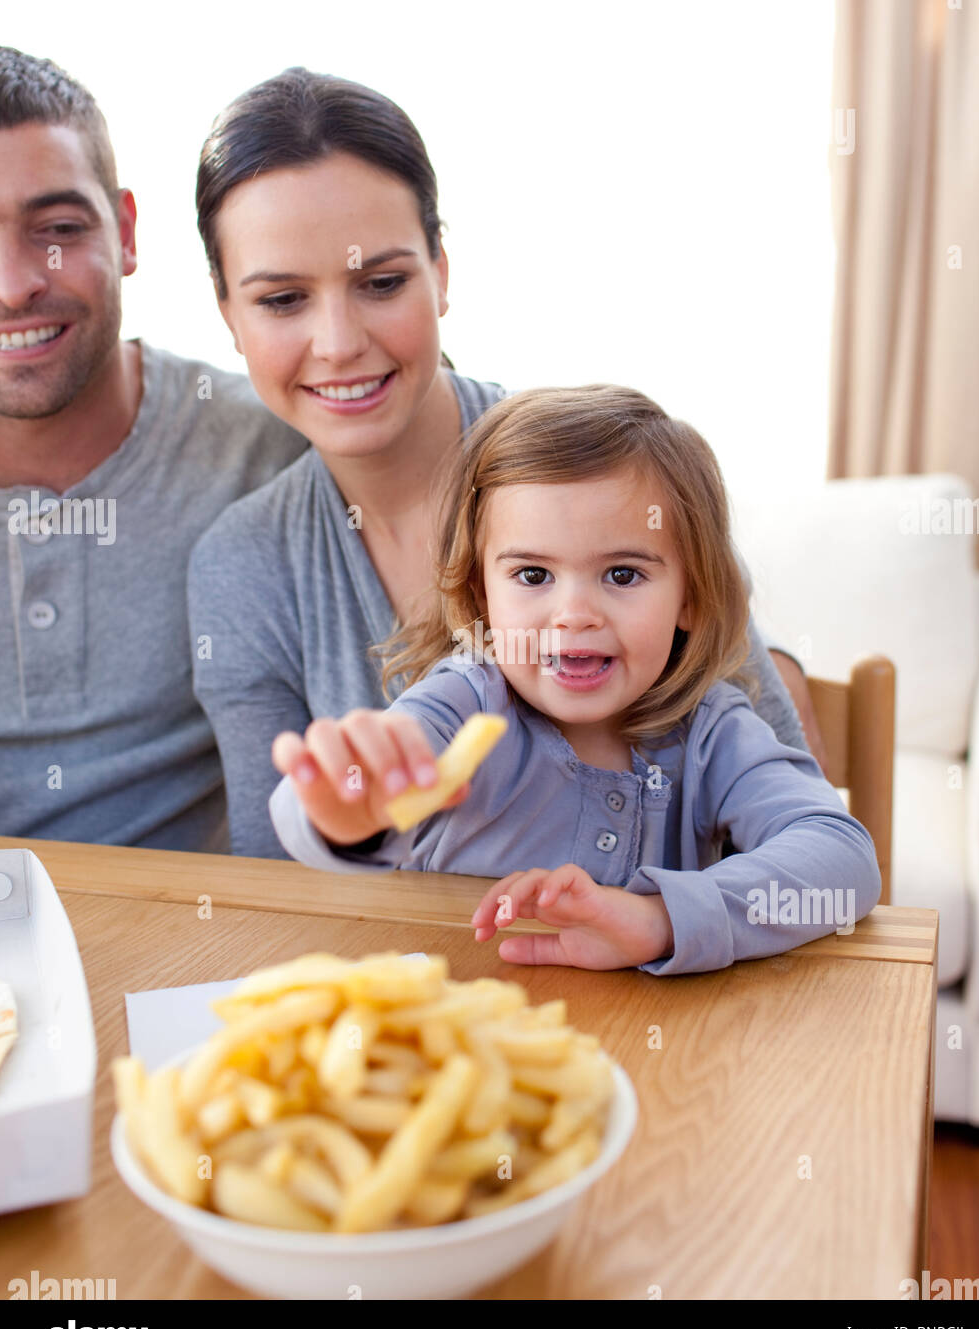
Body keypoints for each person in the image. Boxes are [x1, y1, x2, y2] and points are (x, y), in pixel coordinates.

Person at [188, 67, 826, 861]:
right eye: (281, 300)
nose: (339, 341)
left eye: (382, 282)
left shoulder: (600, 469)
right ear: (228, 314)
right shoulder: (243, 565)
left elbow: (789, 804)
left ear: (440, 273)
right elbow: (277, 880)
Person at [268, 384, 880, 974]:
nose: (575, 615)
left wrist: (661, 919)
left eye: (621, 575)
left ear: (689, 597)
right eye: (534, 576)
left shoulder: (713, 731)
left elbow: (843, 861)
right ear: (482, 595)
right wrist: (343, 811)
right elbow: (325, 796)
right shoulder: (462, 703)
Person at [0, 46, 306, 850]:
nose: (13, 282)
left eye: (57, 229)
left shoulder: (274, 443)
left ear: (125, 231)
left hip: (198, 954)